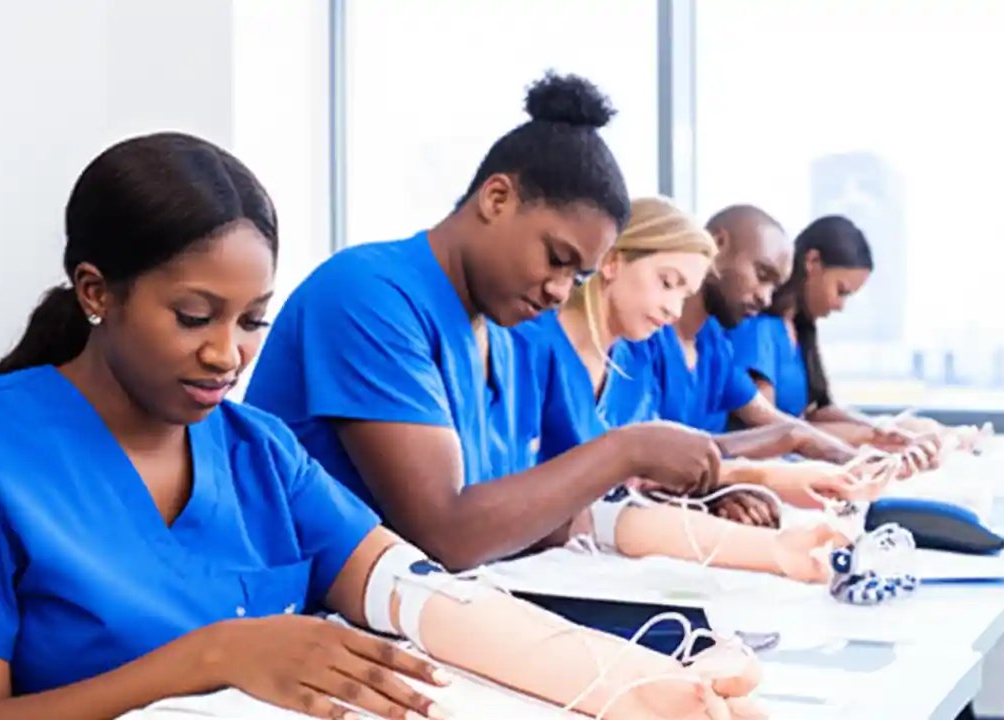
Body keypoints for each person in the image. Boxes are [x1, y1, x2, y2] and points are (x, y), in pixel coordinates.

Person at [0, 133, 762, 720]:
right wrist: (212, 655)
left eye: (253, 320)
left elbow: (423, 592)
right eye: (192, 316)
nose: (228, 355)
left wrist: (638, 686)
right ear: (97, 293)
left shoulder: (259, 454)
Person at [245, 72, 721, 574]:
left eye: (578, 276)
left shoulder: (510, 337)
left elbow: (549, 516)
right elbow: (446, 533)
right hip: (306, 618)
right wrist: (630, 449)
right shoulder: (369, 295)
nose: (561, 290)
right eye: (557, 258)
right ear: (497, 199)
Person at [514, 197, 875, 528]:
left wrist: (709, 492)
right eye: (668, 283)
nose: (673, 309)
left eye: (684, 293)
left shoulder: (635, 364)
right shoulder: (536, 347)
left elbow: (646, 475)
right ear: (611, 262)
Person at [734, 215, 972, 452]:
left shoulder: (798, 332)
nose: (840, 305)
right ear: (813, 262)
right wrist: (866, 436)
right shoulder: (761, 330)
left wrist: (882, 429)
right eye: (841, 291)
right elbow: (766, 428)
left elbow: (815, 413)